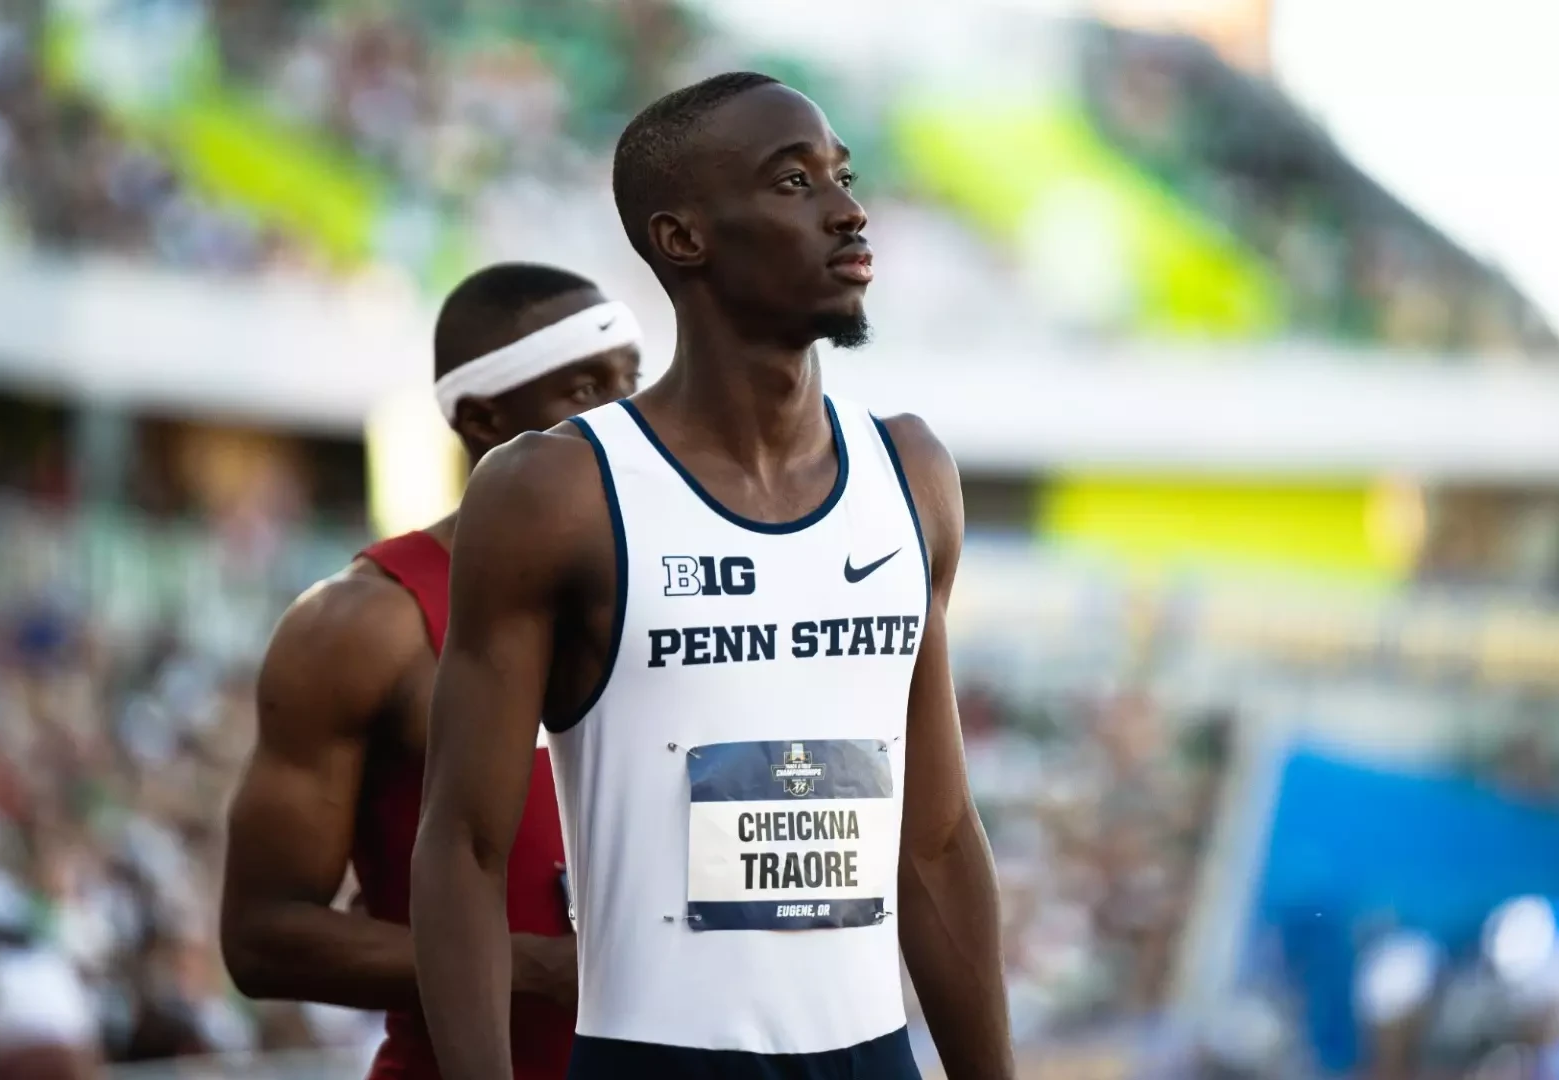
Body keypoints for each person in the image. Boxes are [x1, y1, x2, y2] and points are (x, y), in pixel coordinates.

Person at [410, 73, 1013, 1079]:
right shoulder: (556, 491)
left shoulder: (912, 473)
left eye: (843, 177)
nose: (848, 210)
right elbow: (462, 847)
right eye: (793, 181)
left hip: (872, 1059)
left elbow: (939, 840)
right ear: (683, 238)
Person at [220, 262, 644, 1080]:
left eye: (636, 381)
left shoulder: (688, 590)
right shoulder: (362, 624)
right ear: (487, 418)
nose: (629, 418)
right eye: (588, 389)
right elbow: (262, 936)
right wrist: (536, 966)